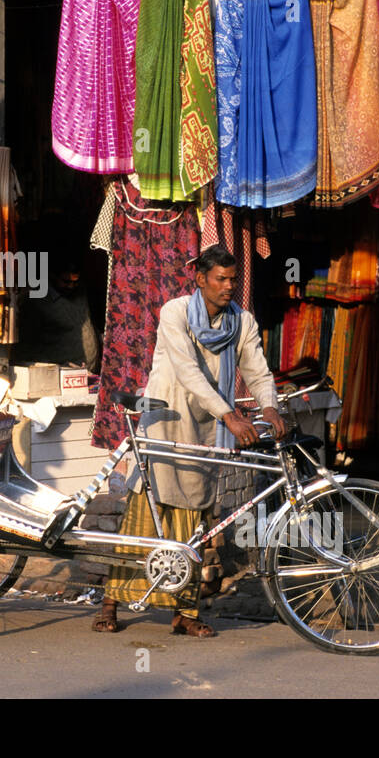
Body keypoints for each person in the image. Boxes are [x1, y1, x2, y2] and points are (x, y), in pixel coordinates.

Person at [93, 245, 286, 637]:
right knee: (147, 515)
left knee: (194, 519)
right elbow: (186, 371)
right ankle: (111, 600)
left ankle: (185, 612)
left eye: (234, 279)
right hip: (166, 418)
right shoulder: (175, 312)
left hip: (206, 426)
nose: (229, 286)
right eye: (221, 279)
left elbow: (257, 369)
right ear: (201, 279)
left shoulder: (241, 321)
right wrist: (230, 415)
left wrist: (269, 407)